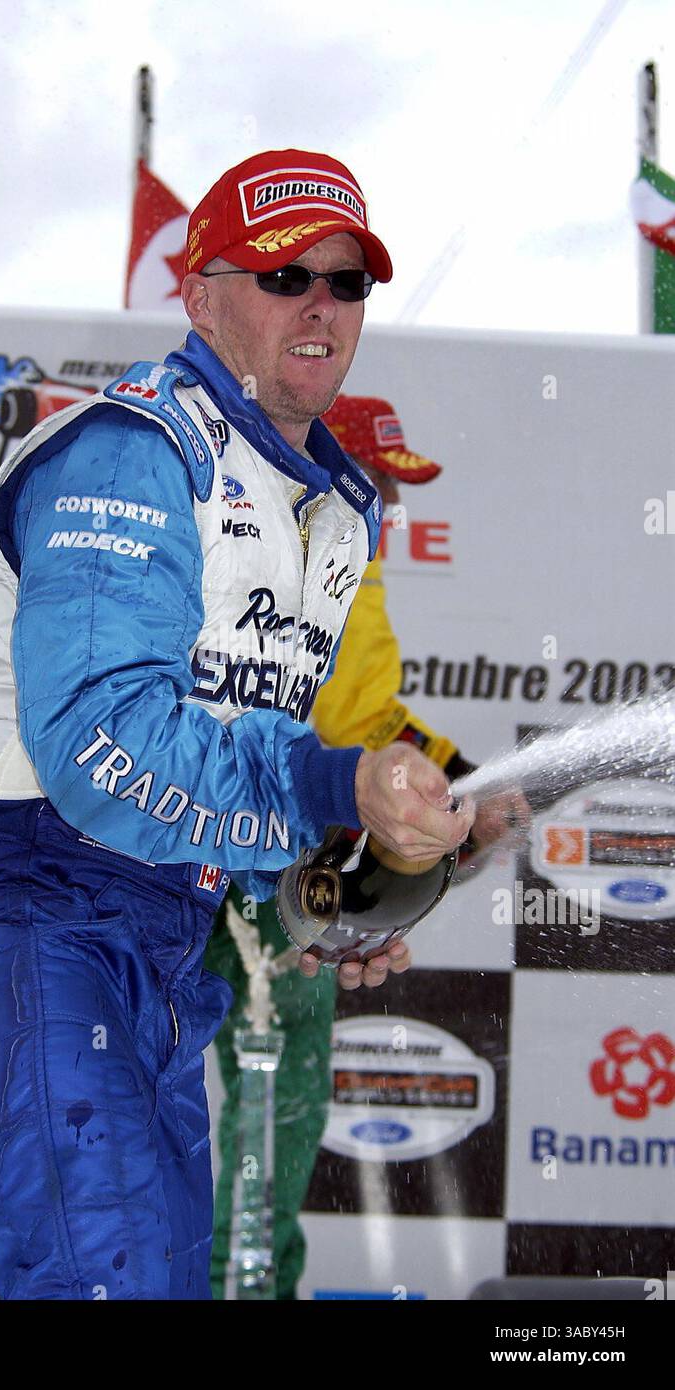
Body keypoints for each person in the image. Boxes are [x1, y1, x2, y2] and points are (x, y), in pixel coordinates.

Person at [0, 149, 474, 1301]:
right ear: (201, 294)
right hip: (30, 904)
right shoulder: (132, 450)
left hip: (169, 933)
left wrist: (330, 898)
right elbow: (102, 750)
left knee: (163, 1286)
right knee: (96, 1281)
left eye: (345, 282)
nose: (319, 303)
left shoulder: (337, 515)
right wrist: (329, 791)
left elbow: (231, 767)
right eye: (281, 273)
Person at [207, 395, 523, 1300]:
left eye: (391, 483)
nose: (387, 497)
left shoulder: (336, 553)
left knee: (212, 1091)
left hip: (236, 848)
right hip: (248, 863)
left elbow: (366, 719)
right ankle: (244, 1291)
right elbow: (348, 723)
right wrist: (449, 791)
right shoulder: (308, 552)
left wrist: (455, 783)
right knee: (274, 1093)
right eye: (376, 479)